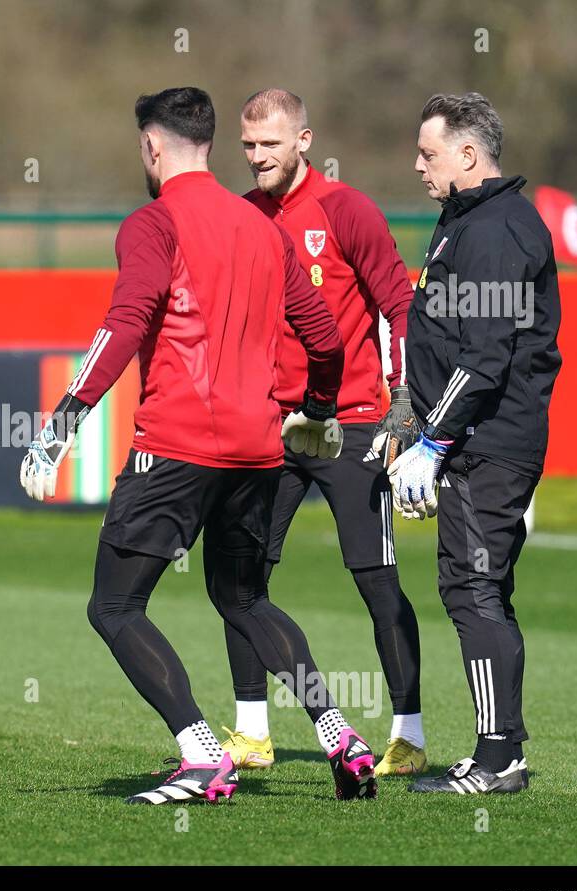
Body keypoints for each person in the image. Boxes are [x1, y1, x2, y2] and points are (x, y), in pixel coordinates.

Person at [20, 87, 377, 804]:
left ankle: (201, 753)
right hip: (256, 449)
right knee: (243, 599)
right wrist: (314, 410)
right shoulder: (260, 228)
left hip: (177, 445)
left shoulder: (154, 223)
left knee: (114, 607)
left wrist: (59, 427)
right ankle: (340, 733)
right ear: (210, 144)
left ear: (153, 147)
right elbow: (326, 336)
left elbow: (125, 324)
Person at [227, 88, 425, 776]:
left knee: (375, 580)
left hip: (353, 424)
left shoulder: (348, 211)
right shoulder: (241, 217)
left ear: (304, 142)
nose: (257, 157)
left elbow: (400, 304)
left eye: (270, 144)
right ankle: (252, 732)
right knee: (242, 576)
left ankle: (409, 732)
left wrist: (404, 398)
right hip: (268, 429)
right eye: (249, 146)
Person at [391, 93, 562, 794]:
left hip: (488, 440)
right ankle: (500, 750)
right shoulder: (463, 221)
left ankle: (498, 761)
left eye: (429, 153)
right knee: (479, 586)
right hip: (475, 436)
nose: (419, 166)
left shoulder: (493, 228)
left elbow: (487, 355)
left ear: (468, 153)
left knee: (472, 586)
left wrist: (432, 442)